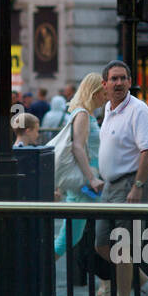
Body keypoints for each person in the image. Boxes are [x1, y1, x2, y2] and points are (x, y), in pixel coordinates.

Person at [93, 61, 148, 296]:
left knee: (123, 246)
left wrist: (138, 185)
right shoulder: (109, 110)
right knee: (102, 244)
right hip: (111, 185)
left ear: (130, 80)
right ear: (105, 84)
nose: (119, 83)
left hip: (129, 183)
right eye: (114, 79)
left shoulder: (138, 109)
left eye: (124, 78)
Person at [52, 72, 106, 259]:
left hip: (85, 181)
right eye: (103, 93)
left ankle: (36, 274)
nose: (105, 97)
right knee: (110, 229)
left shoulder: (83, 113)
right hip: (86, 181)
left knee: (69, 237)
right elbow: (77, 147)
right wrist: (92, 178)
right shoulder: (83, 114)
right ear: (94, 92)